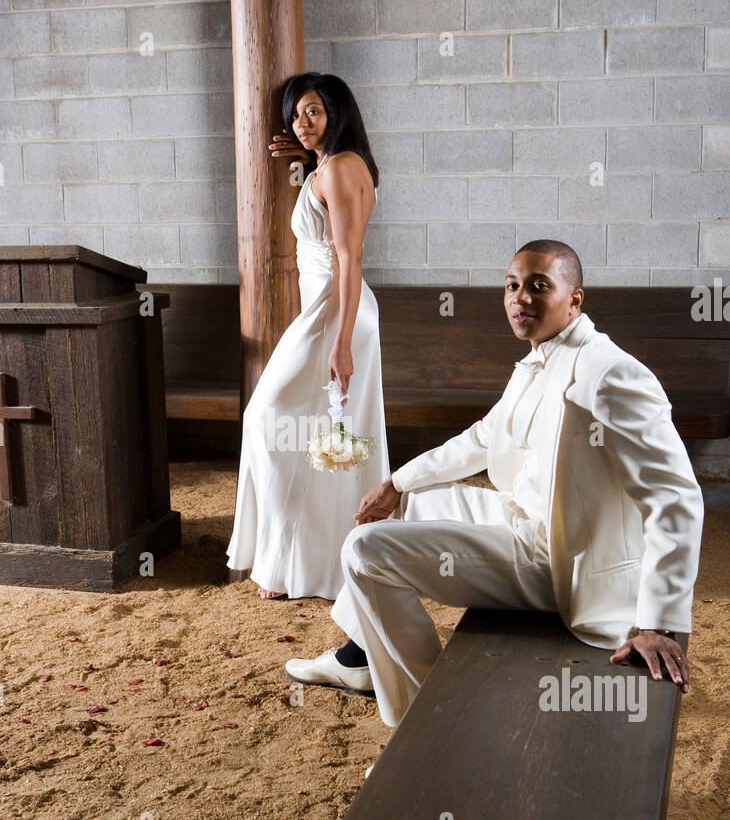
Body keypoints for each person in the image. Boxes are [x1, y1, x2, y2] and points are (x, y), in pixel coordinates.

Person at [286, 240, 704, 728]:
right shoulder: (538, 359)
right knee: (405, 504)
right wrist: (397, 482)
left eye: (539, 286)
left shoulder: (607, 370)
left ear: (575, 299)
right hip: (517, 519)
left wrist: (658, 624)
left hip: (556, 561)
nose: (520, 298)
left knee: (364, 550)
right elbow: (483, 438)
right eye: (512, 285)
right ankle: (360, 659)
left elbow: (674, 496)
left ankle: (431, 723)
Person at [226, 72, 390, 600]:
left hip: (337, 312)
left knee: (267, 416)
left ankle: (293, 559)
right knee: (320, 435)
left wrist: (341, 342)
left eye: (314, 112)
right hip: (339, 310)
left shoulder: (340, 167)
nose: (302, 122)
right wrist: (301, 160)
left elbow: (350, 257)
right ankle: (314, 560)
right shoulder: (333, 165)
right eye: (295, 114)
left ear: (338, 112)